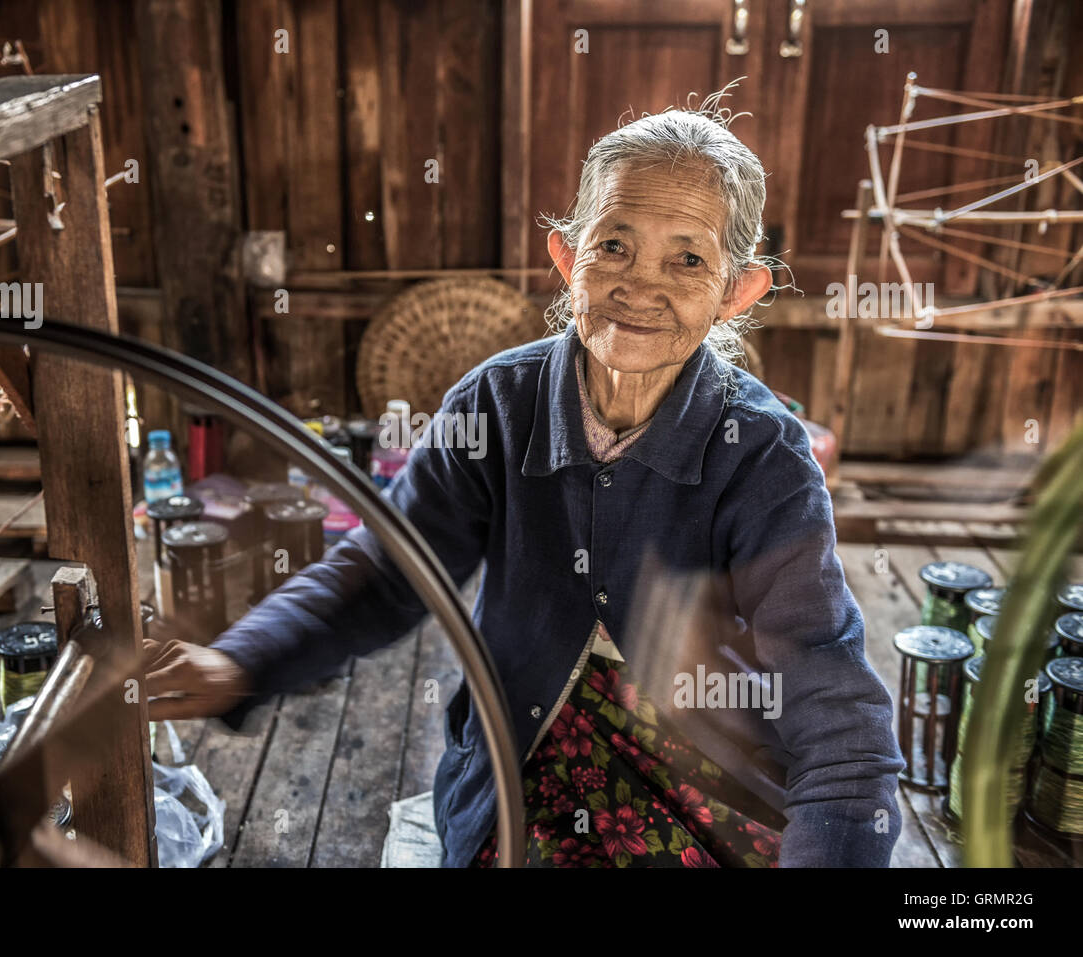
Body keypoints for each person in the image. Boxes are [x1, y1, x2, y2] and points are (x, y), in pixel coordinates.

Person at [143, 95, 905, 868]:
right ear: (568, 258)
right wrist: (239, 661)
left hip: (704, 778)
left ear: (736, 292)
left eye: (688, 259)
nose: (640, 286)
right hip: (523, 765)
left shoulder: (762, 454)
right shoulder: (496, 406)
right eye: (614, 245)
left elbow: (839, 726)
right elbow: (388, 572)